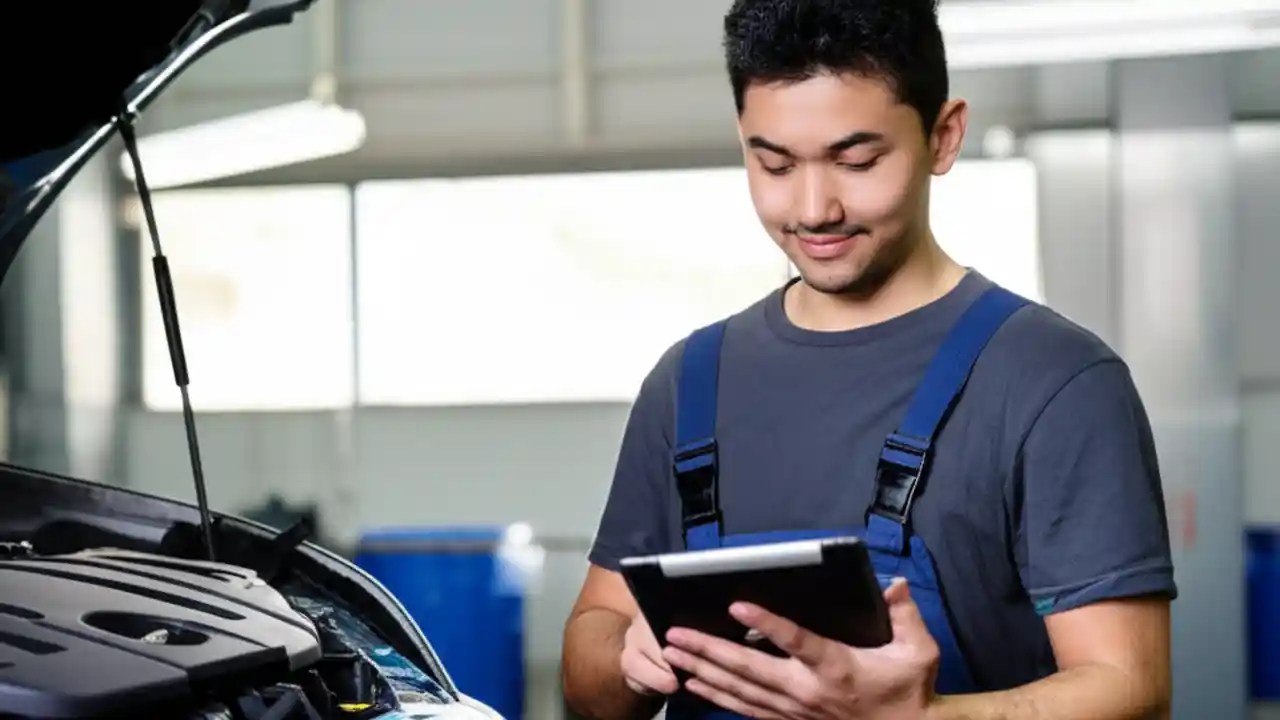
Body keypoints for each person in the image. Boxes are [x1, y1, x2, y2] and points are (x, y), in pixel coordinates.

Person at [560, 1, 1177, 718]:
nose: (815, 207)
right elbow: (587, 664)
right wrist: (627, 658)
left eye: (856, 161)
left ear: (943, 138)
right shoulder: (687, 383)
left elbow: (1131, 686)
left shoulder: (1054, 382)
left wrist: (924, 717)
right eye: (775, 163)